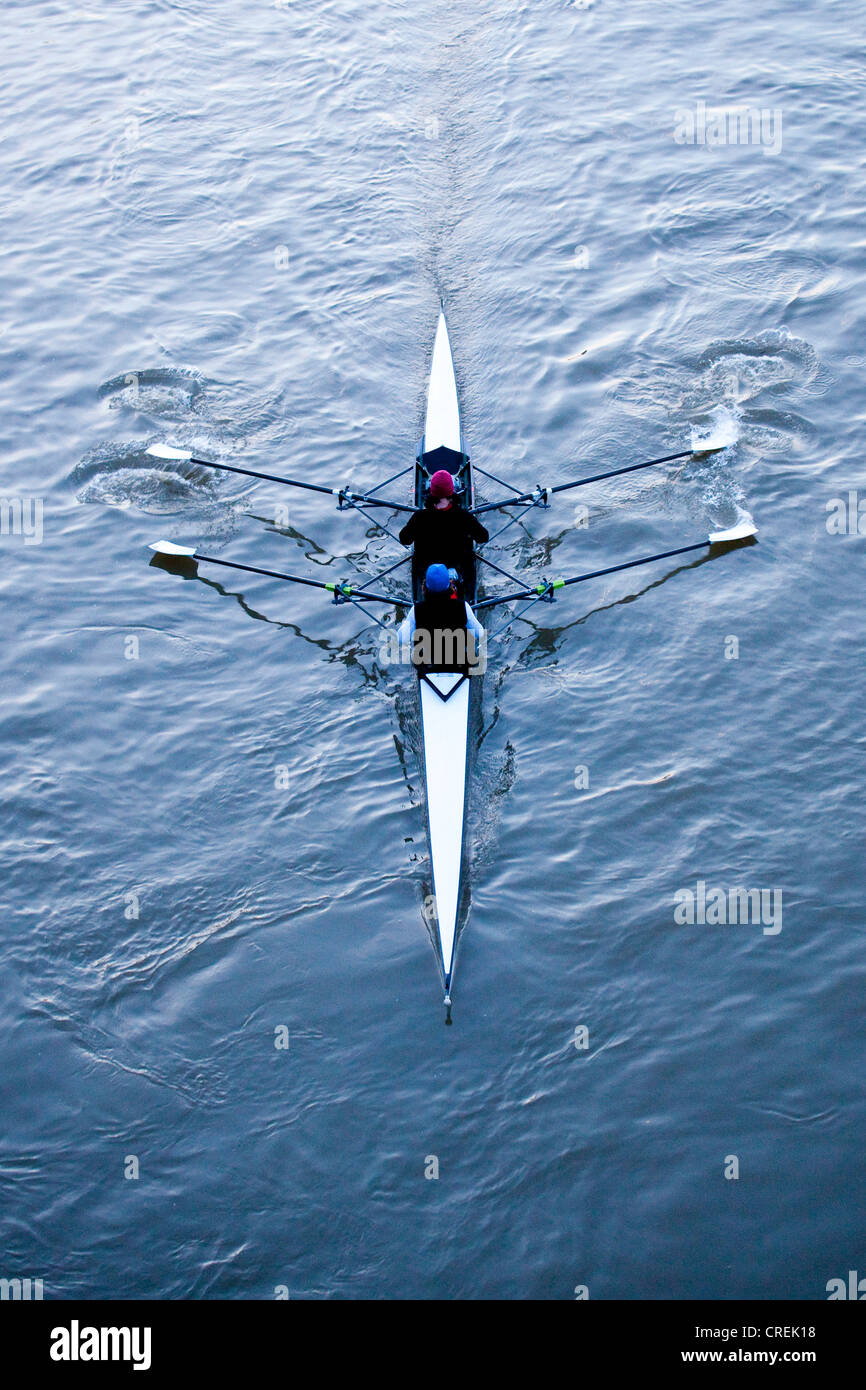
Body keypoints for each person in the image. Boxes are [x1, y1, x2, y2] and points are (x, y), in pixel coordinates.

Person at [398, 469, 489, 590]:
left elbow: (404, 539)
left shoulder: (419, 517)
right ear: (452, 492)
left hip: (428, 572)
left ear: (431, 492)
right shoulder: (464, 517)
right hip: (458, 571)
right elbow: (483, 537)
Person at [399, 563, 485, 672]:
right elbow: (480, 633)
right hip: (457, 663)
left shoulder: (416, 610)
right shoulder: (463, 606)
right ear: (449, 585)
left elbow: (402, 639)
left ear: (425, 585)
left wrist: (407, 621)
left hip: (428, 665)